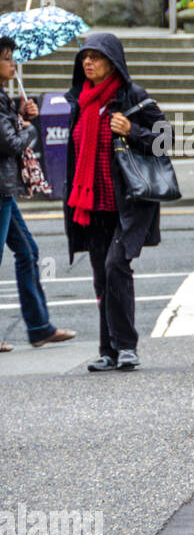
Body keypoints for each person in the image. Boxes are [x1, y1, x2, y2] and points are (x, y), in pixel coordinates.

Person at [62, 34, 168, 372]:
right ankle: (107, 350)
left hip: (128, 204)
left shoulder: (132, 98)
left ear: (114, 61)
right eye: (84, 57)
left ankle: (126, 346)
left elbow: (165, 140)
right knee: (100, 277)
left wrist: (132, 130)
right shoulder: (81, 102)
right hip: (91, 205)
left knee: (115, 267)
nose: (88, 63)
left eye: (95, 56)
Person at [0, 37, 76, 354]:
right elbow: (11, 143)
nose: (13, 64)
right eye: (7, 59)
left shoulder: (3, 97)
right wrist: (29, 125)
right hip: (0, 190)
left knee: (28, 250)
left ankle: (39, 327)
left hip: (4, 190)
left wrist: (20, 113)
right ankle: (39, 327)